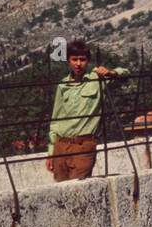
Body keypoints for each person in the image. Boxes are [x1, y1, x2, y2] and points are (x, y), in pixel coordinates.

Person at [46, 41, 129, 182]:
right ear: (68, 61)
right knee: (61, 192)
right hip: (61, 146)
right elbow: (56, 119)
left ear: (88, 61)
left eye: (82, 60)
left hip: (83, 146)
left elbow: (126, 74)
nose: (78, 64)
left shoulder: (98, 79)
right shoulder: (63, 85)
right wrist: (51, 151)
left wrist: (111, 73)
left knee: (78, 190)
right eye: (74, 59)